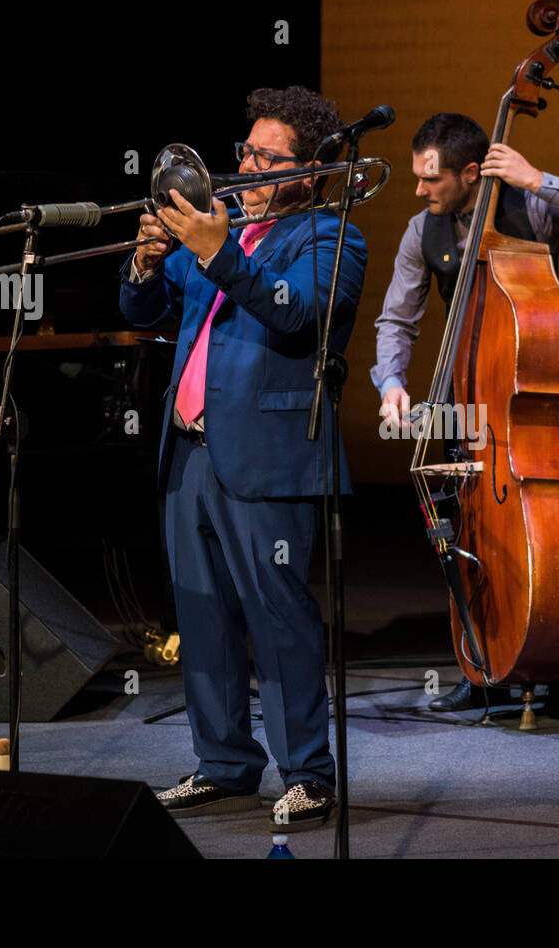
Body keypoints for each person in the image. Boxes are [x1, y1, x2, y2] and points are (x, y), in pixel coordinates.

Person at [120, 86, 367, 831]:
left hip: (269, 455)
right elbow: (147, 314)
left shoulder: (332, 234)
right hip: (190, 452)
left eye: (269, 157)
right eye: (247, 151)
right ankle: (224, 764)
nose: (248, 165)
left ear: (312, 170)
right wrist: (143, 264)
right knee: (202, 616)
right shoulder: (217, 234)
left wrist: (214, 249)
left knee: (278, 615)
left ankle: (309, 775)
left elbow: (295, 313)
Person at [371, 112, 559, 715]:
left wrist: (538, 178)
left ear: (471, 173)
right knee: (467, 533)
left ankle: (556, 664)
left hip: (529, 399)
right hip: (463, 402)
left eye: (432, 180)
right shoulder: (426, 230)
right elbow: (397, 318)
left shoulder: (533, 208)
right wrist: (391, 382)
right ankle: (478, 662)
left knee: (544, 535)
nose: (420, 191)